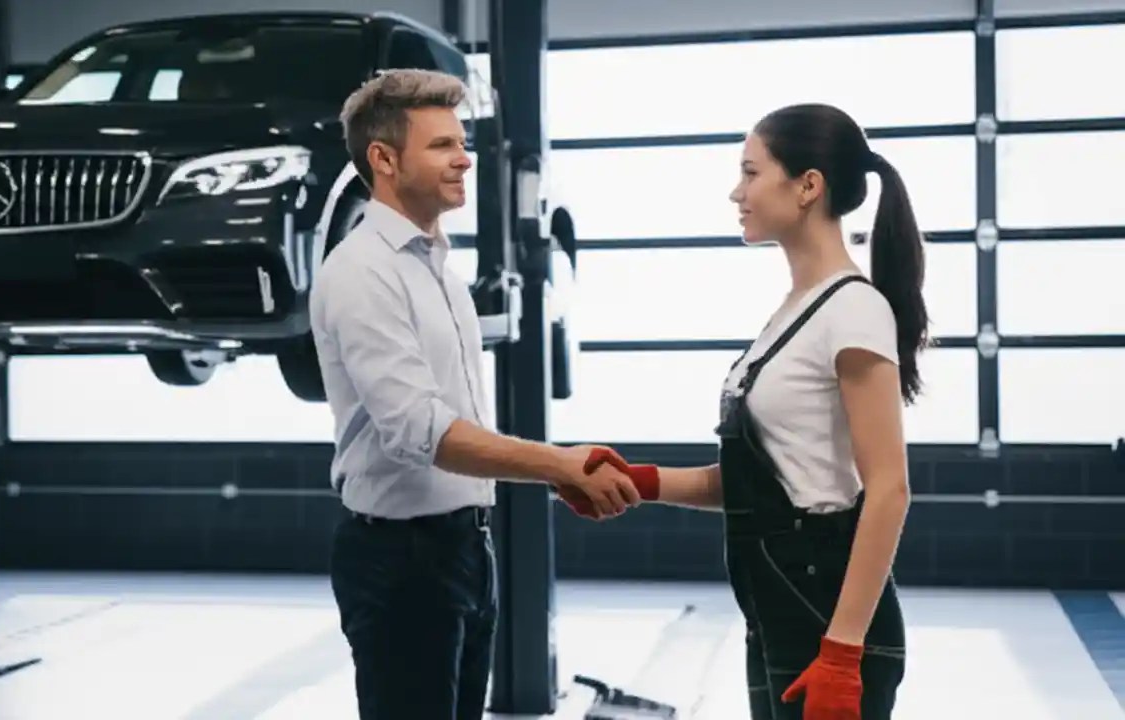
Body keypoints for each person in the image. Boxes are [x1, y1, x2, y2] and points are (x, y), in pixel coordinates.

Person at [309, 68, 648, 720]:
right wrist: (556, 464)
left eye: (461, 142)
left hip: (461, 547)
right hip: (400, 562)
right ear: (383, 158)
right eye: (441, 145)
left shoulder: (434, 265)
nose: (465, 158)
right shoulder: (363, 272)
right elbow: (418, 429)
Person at [587, 103, 926, 720]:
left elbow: (889, 490)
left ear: (807, 187)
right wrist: (641, 482)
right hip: (780, 611)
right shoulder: (797, 310)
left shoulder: (853, 311)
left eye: (750, 172)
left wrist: (843, 653)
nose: (736, 192)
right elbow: (768, 484)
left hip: (827, 616)